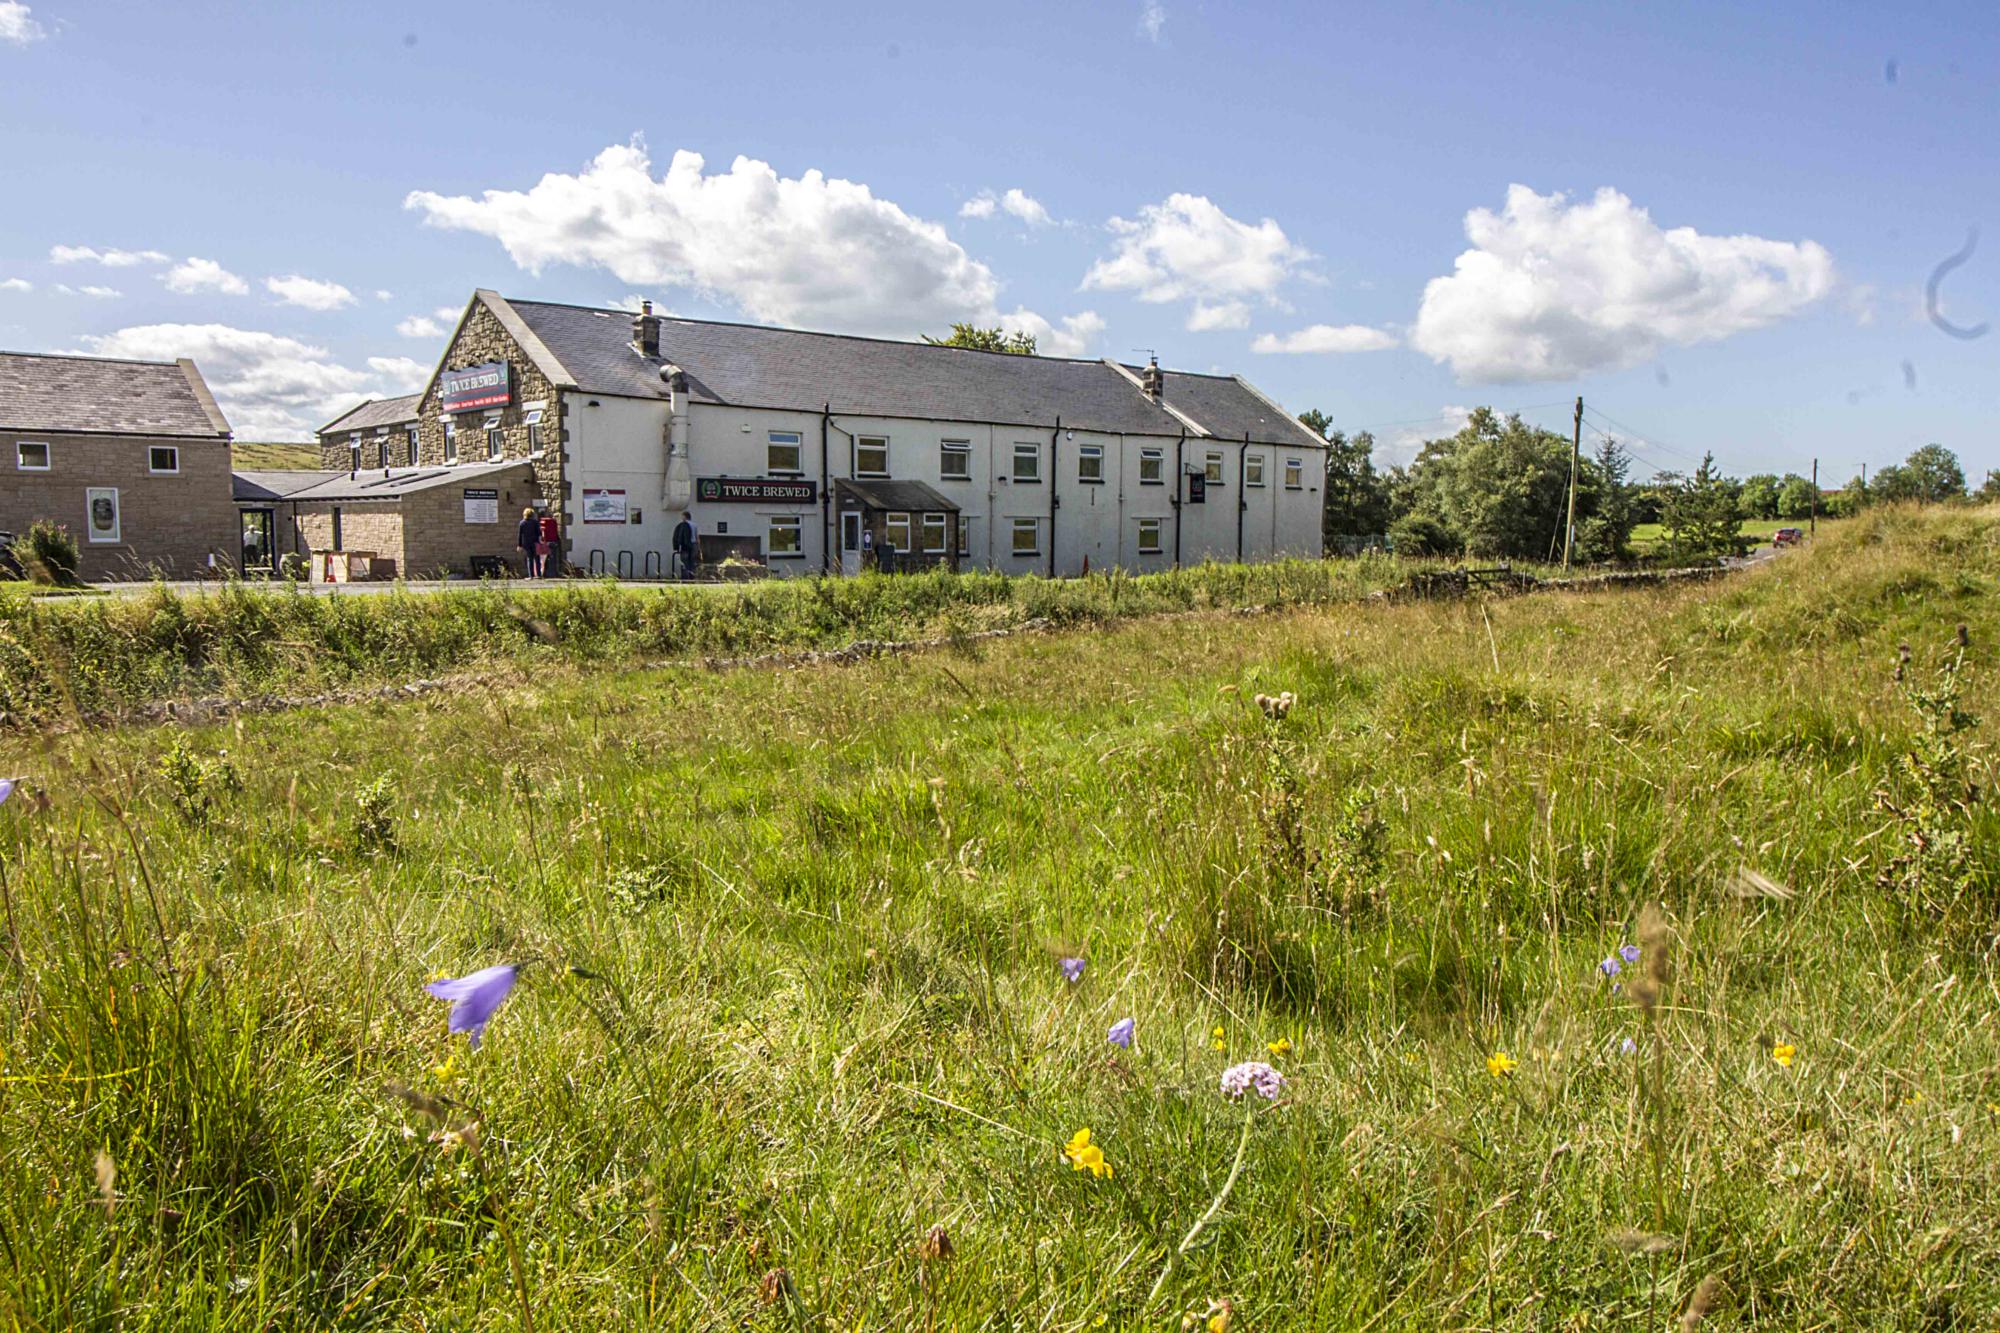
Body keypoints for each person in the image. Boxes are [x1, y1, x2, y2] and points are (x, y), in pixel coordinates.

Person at [672, 510, 698, 580]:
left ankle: (686, 576)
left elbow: (680, 536)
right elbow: (696, 536)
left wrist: (677, 546)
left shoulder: (683, 525)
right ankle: (692, 575)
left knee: (685, 561)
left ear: (684, 517)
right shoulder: (694, 525)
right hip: (694, 544)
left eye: (682, 516)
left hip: (685, 545)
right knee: (692, 561)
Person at [517, 507, 542, 577]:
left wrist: (519, 545)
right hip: (535, 542)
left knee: (529, 559)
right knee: (537, 559)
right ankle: (539, 575)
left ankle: (531, 575)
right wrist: (540, 541)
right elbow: (539, 533)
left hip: (526, 543)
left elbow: (520, 535)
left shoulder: (522, 523)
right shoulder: (535, 522)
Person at [538, 510, 562, 578]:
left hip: (544, 543)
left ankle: (543, 573)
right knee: (553, 559)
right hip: (554, 542)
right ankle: (552, 573)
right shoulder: (553, 521)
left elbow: (542, 534)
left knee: (543, 560)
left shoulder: (542, 522)